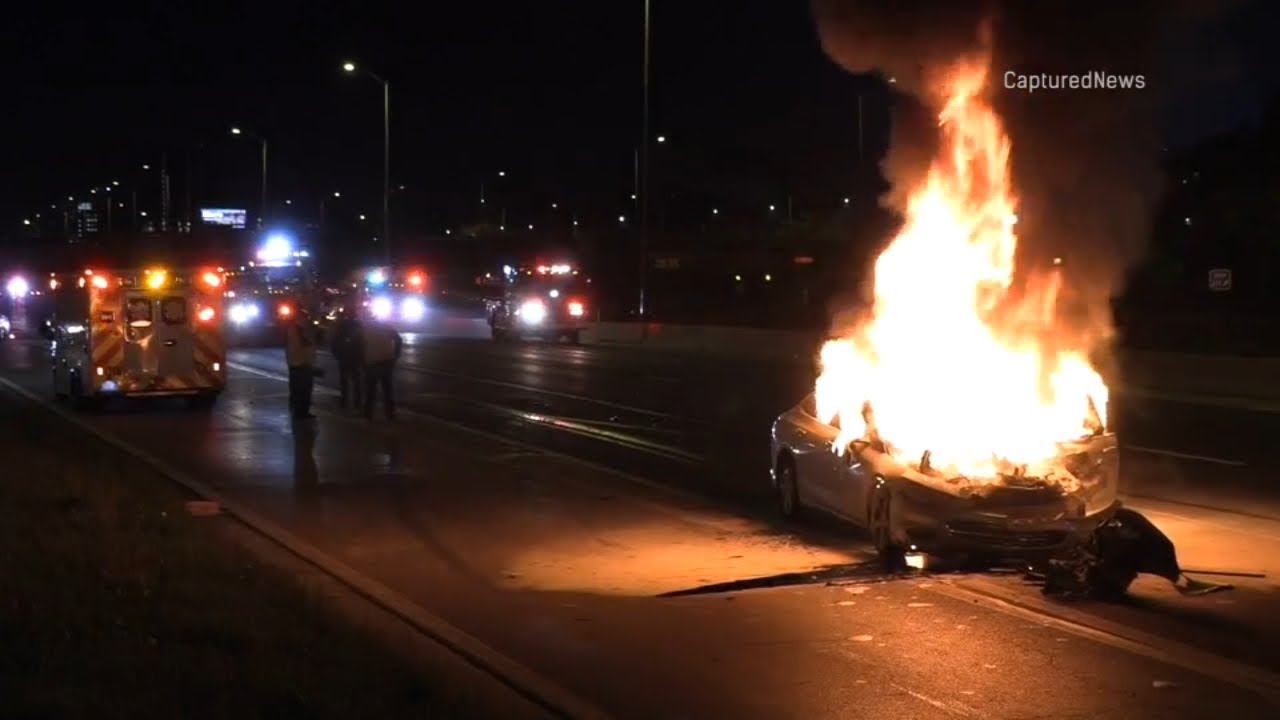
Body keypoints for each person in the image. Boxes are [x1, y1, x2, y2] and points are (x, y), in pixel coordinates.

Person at [361, 313, 402, 420]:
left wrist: (362, 361)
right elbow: (398, 339)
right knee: (387, 387)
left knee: (371, 389)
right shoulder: (385, 327)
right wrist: (395, 355)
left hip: (372, 361)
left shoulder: (364, 329)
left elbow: (359, 345)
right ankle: (390, 413)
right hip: (387, 360)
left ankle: (368, 413)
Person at [284, 306, 318, 420]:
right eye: (304, 318)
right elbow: (299, 348)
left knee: (303, 390)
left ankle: (302, 411)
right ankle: (300, 412)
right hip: (300, 364)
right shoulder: (297, 331)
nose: (306, 320)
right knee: (301, 389)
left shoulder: (300, 330)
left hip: (301, 364)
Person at [330, 306, 364, 411]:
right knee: (356, 381)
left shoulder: (342, 326)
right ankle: (357, 402)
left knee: (344, 381)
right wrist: (362, 356)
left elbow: (335, 341)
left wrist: (336, 354)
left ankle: (344, 401)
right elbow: (362, 343)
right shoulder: (358, 325)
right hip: (354, 357)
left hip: (344, 357)